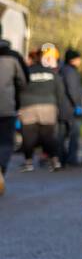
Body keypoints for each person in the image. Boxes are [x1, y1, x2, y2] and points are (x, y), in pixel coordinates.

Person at [17, 45, 64, 172]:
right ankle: (55, 161)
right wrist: (58, 106)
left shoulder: (26, 72)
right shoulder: (51, 73)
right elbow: (59, 90)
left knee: (28, 136)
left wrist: (18, 107)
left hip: (28, 107)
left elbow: (19, 88)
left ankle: (28, 162)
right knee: (48, 135)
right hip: (48, 106)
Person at [0, 32, 28, 193]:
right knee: (5, 142)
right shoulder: (13, 57)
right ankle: (1, 169)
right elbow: (23, 81)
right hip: (6, 107)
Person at [57, 48, 82, 168]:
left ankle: (61, 158)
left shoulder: (62, 70)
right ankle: (71, 158)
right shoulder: (71, 72)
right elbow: (72, 89)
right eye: (78, 59)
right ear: (73, 60)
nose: (80, 61)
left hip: (63, 107)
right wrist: (78, 105)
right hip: (71, 109)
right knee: (74, 135)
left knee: (62, 135)